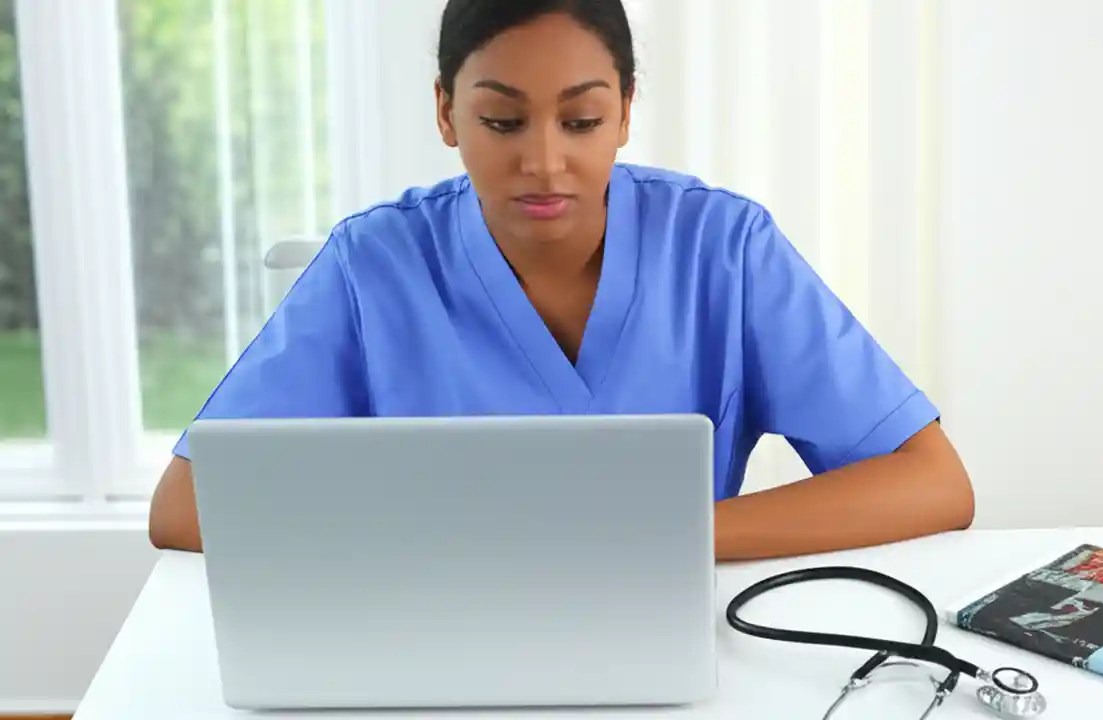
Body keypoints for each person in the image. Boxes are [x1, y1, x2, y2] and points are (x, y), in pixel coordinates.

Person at [148, 0, 974, 560]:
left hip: (672, 632)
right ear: (446, 112)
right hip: (442, 637)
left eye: (581, 121)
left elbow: (933, 481)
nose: (544, 161)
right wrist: (454, 546)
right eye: (502, 121)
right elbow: (183, 508)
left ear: (624, 109)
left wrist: (661, 542)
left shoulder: (724, 248)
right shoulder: (373, 265)